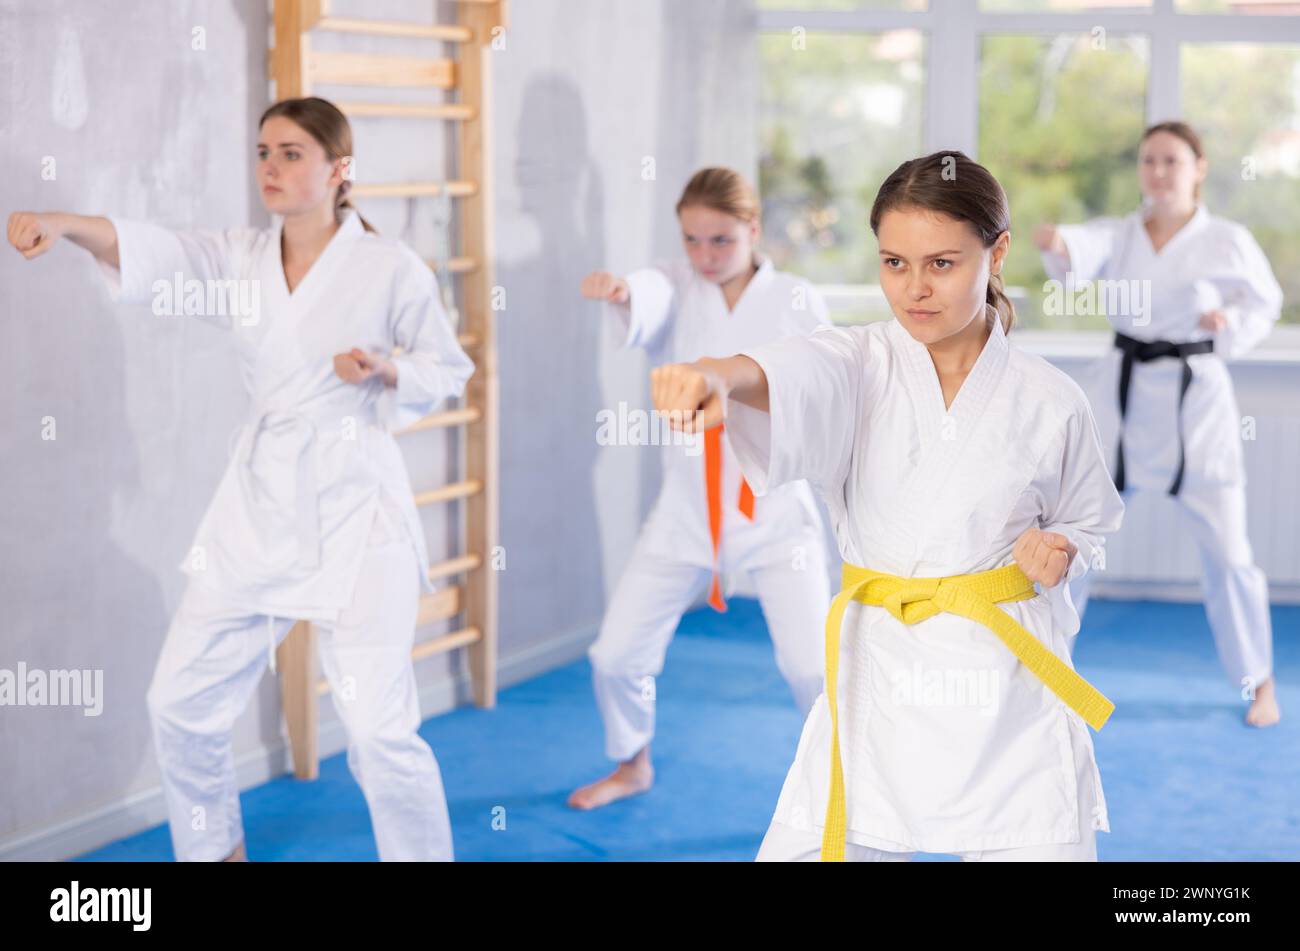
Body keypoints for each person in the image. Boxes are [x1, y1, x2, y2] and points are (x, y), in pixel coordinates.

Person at [6, 96, 474, 861]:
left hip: (358, 513)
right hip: (261, 507)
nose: (272, 168)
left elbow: (449, 369)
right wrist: (63, 224)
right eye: (263, 152)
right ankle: (216, 851)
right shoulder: (239, 258)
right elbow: (158, 252)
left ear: (339, 169)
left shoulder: (391, 268)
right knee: (179, 703)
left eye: (293, 153)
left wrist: (388, 367)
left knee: (377, 729)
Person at [651, 151, 1124, 861]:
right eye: (894, 263)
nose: (914, 288)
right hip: (879, 675)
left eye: (942, 263)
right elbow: (787, 369)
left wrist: (1063, 547)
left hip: (1003, 688)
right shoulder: (859, 363)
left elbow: (1090, 522)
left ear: (996, 254)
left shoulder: (1051, 398)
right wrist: (713, 374)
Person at [568, 168, 833, 810]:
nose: (704, 257)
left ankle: (843, 788)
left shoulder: (795, 297)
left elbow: (824, 387)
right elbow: (649, 293)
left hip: (774, 517)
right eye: (691, 240)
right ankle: (632, 763)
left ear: (754, 229)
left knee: (812, 671)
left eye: (720, 241)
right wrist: (624, 290)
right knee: (614, 655)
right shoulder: (676, 285)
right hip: (686, 513)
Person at [1035, 120, 1283, 727]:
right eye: (1149, 161)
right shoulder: (1120, 234)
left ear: (1198, 167)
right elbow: (1077, 250)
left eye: (1172, 160)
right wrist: (1057, 241)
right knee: (1074, 536)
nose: (1158, 172)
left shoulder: (1226, 238)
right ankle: (1044, 669)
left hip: (1194, 405)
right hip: (1120, 399)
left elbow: (1266, 302)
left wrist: (1229, 322)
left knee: (1229, 554)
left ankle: (1260, 684)